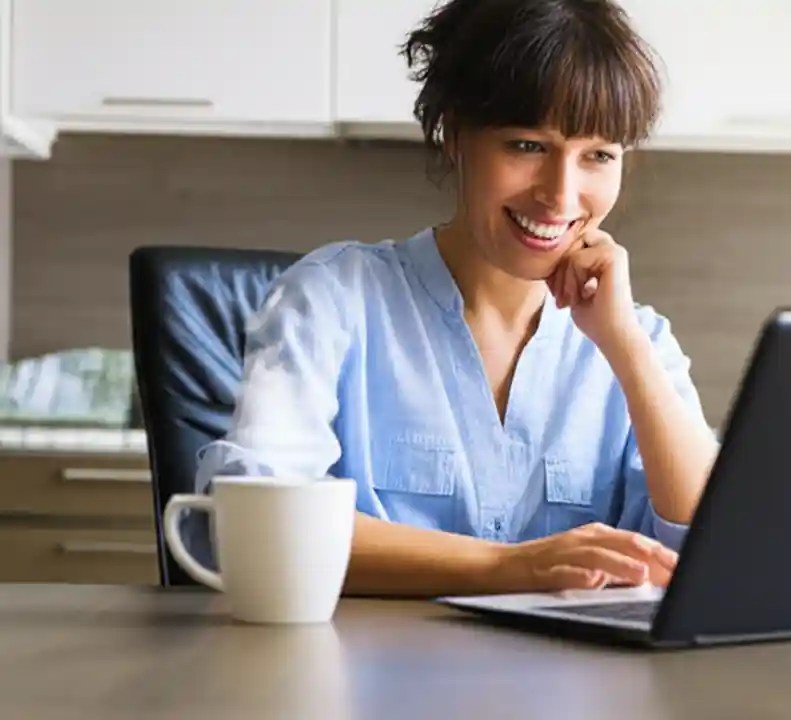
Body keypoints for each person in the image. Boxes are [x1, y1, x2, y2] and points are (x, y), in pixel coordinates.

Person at [193, 0, 719, 597]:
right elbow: (252, 522)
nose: (560, 195)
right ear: (453, 135)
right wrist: (505, 567)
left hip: (580, 689)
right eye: (527, 146)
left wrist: (624, 349)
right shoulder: (334, 300)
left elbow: (712, 549)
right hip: (362, 686)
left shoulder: (639, 338)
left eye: (598, 155)